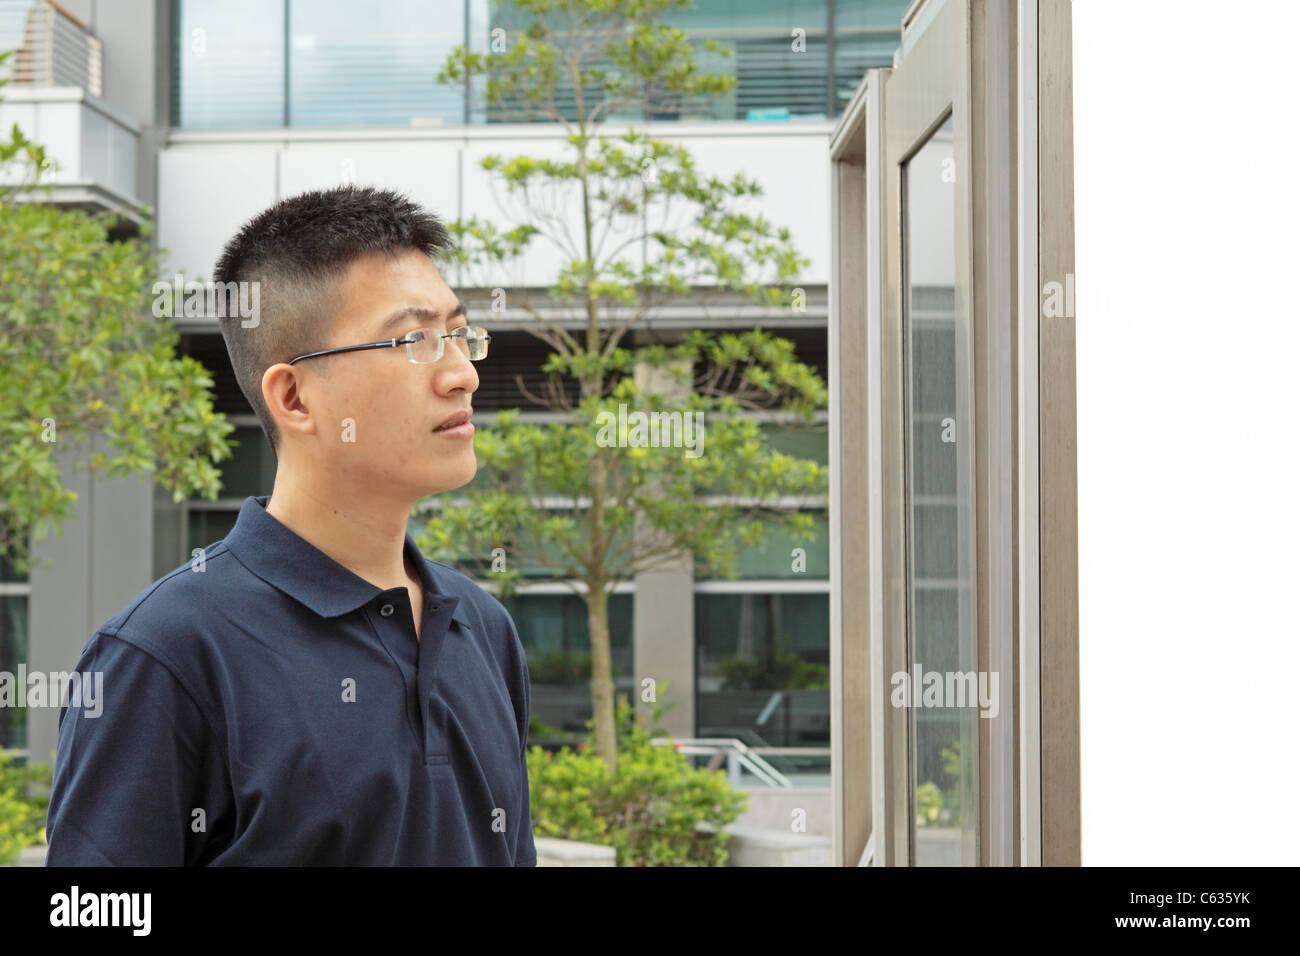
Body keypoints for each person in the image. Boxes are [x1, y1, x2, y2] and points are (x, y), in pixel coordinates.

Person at [44, 185, 537, 866]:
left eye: (460, 334)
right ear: (295, 396)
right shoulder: (165, 655)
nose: (463, 375)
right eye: (416, 340)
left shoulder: (481, 629)